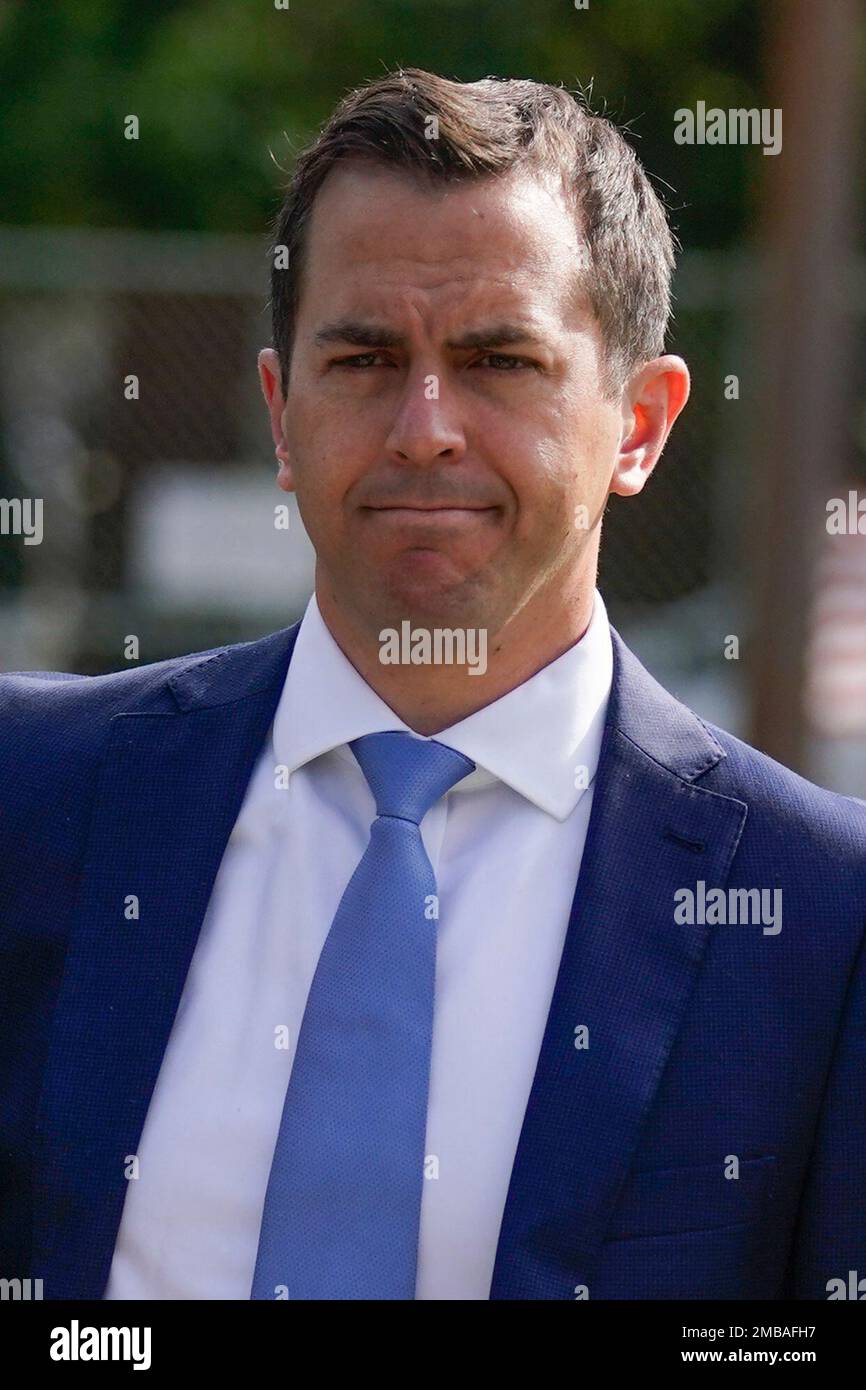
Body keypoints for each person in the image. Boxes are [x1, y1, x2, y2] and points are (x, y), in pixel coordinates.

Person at [1, 68, 864, 1302]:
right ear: (280, 413)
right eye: (360, 358)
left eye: (498, 359)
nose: (422, 427)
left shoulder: (819, 919)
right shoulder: (31, 798)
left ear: (638, 423)